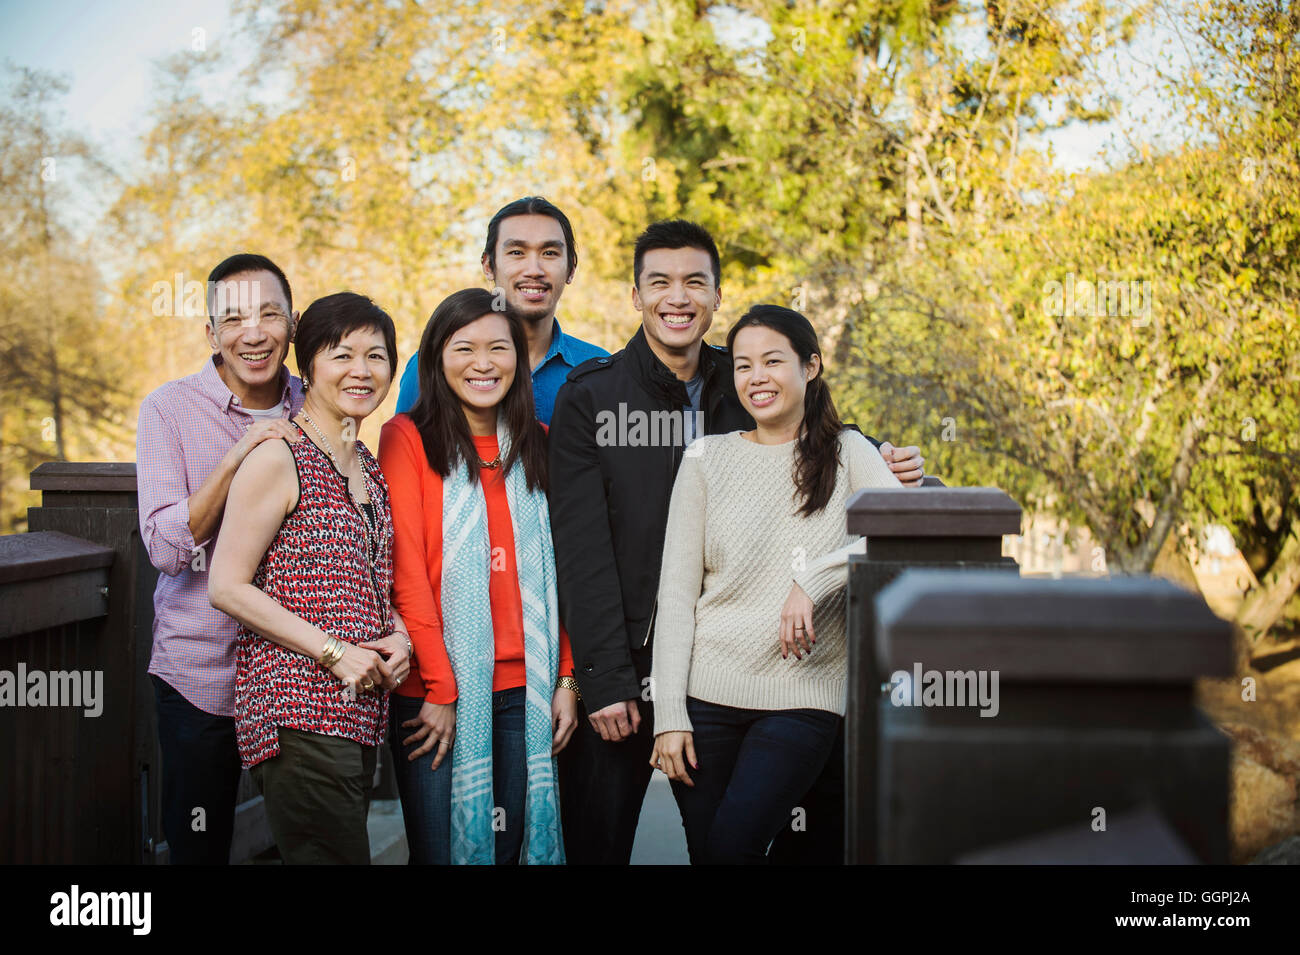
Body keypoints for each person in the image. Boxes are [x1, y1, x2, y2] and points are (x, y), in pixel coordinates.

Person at [547, 220, 925, 864]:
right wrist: (604, 678)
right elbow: (582, 550)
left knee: (763, 840)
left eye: (695, 282)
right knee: (597, 844)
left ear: (717, 295)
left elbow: (809, 428)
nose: (678, 297)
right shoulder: (594, 396)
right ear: (635, 296)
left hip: (778, 665)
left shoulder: (740, 377)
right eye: (659, 282)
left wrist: (879, 454)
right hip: (629, 659)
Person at [649, 304, 900, 863]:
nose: (756, 378)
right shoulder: (706, 459)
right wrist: (669, 716)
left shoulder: (849, 452)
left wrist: (813, 579)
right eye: (742, 366)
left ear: (810, 366)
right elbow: (675, 597)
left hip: (803, 695)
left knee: (733, 846)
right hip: (705, 696)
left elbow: (903, 536)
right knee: (712, 854)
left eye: (771, 361)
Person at [208, 292, 412, 864]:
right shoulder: (280, 456)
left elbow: (369, 582)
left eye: (376, 356)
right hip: (298, 711)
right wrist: (333, 652)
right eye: (341, 355)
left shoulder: (366, 465)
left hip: (359, 711)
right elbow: (226, 585)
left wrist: (398, 636)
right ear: (307, 367)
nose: (361, 371)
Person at [379, 287, 576, 865]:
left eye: (498, 348)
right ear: (437, 358)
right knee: (441, 853)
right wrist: (440, 688)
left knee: (511, 847)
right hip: (433, 690)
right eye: (464, 348)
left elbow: (561, 572)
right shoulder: (406, 439)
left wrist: (567, 679)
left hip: (525, 689)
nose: (483, 363)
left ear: (520, 357)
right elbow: (407, 572)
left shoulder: (539, 443)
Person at [137, 253, 304, 864]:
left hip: (298, 673)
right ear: (211, 333)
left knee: (306, 843)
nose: (253, 332)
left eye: (269, 314)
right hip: (202, 674)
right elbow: (163, 549)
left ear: (292, 323)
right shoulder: (169, 409)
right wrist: (238, 456)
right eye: (233, 319)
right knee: (199, 847)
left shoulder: (316, 402)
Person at [394, 196, 607, 424]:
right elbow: (403, 448)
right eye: (516, 252)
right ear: (488, 265)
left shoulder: (601, 372)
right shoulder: (433, 364)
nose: (534, 270)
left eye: (549, 253)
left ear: (571, 268)